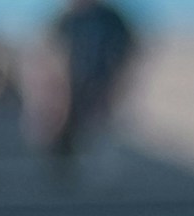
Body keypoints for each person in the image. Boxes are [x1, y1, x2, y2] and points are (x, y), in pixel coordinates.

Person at [34, 0, 134, 169]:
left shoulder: (110, 18)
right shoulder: (65, 19)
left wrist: (116, 82)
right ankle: (62, 168)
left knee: (99, 131)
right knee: (64, 128)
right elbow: (49, 52)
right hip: (69, 88)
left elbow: (127, 49)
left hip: (100, 84)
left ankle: (98, 174)